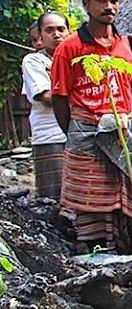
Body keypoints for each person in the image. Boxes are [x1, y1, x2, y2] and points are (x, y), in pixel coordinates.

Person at [50, 0, 132, 253]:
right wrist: (75, 130)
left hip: (123, 130)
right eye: (101, 0)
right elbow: (60, 97)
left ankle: (128, 256)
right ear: (86, 4)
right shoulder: (69, 47)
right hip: (87, 133)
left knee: (128, 202)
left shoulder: (129, 45)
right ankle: (95, 259)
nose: (108, 6)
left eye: (114, 1)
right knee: (91, 204)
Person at [21, 11, 70, 198]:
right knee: (53, 199)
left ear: (68, 32)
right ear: (40, 35)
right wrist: (84, 96)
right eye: (49, 30)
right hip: (51, 136)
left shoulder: (76, 59)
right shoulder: (34, 61)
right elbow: (48, 97)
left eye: (61, 29)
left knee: (83, 198)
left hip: (80, 135)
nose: (56, 34)